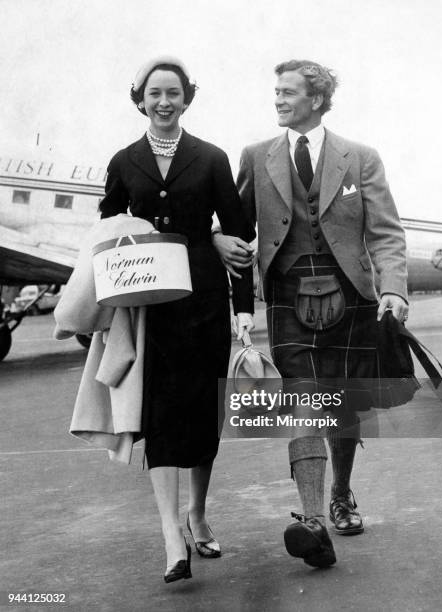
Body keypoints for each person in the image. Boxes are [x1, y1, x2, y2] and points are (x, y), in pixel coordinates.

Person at [213, 59, 408, 568]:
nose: (277, 100)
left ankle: (341, 494)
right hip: (286, 293)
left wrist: (395, 291)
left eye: (288, 93)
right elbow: (232, 222)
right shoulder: (256, 156)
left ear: (317, 100)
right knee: (303, 399)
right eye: (275, 92)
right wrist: (217, 239)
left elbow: (386, 233)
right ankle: (312, 518)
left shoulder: (360, 158)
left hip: (352, 294)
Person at [99, 56, 255, 583]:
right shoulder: (124, 162)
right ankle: (171, 536)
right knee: (161, 418)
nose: (163, 101)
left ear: (187, 97)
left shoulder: (211, 158)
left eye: (173, 93)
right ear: (139, 98)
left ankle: (197, 512)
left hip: (206, 303)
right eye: (154, 93)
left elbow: (236, 236)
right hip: (152, 310)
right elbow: (108, 232)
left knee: (200, 414)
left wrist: (244, 308)